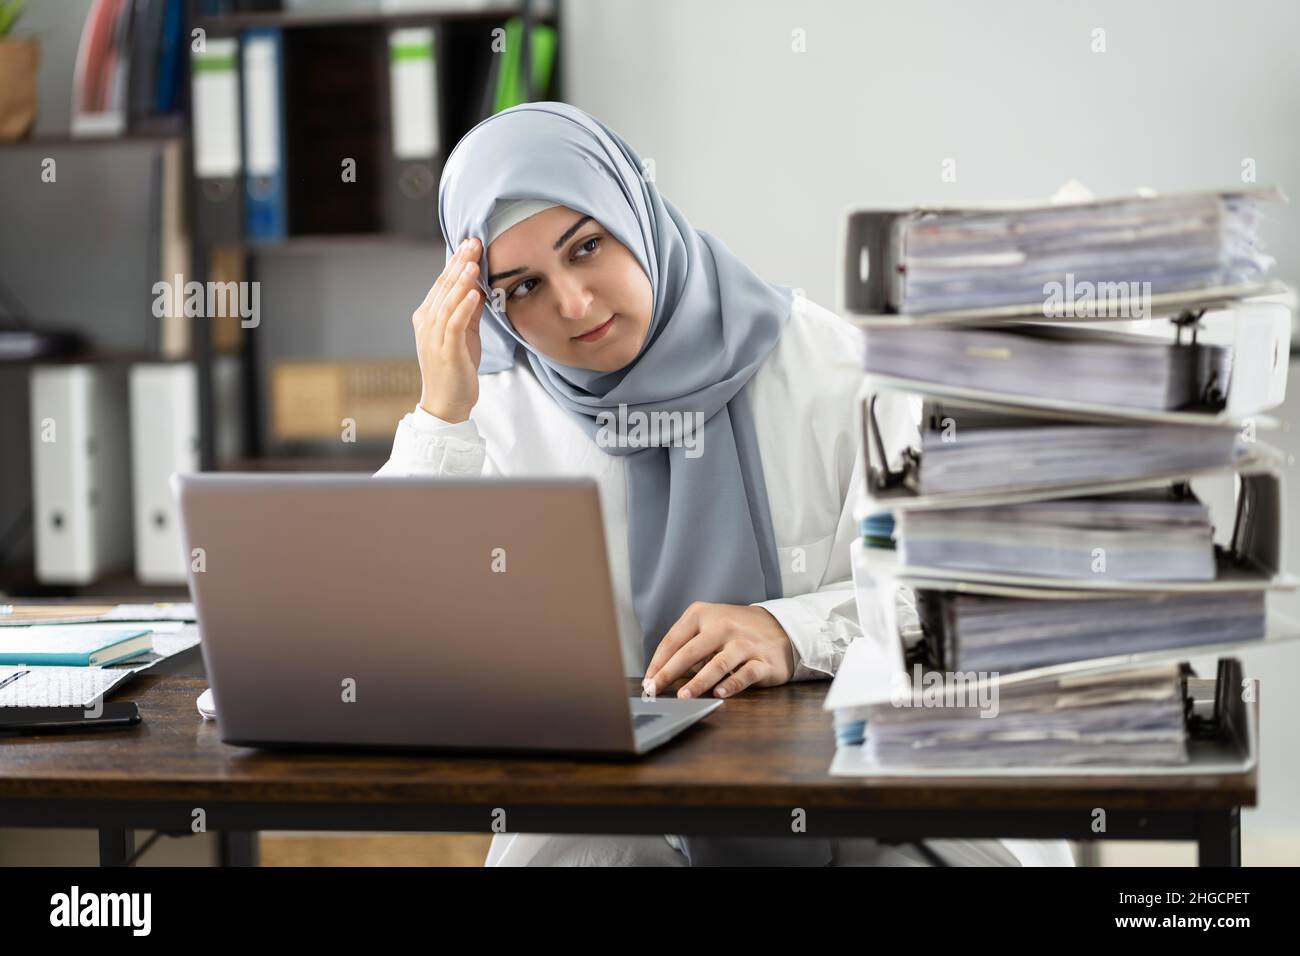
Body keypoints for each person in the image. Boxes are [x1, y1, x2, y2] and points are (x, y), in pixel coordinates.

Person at [375, 101, 1074, 867]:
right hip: (610, 806)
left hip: (863, 786)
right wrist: (438, 416)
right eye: (522, 287)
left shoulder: (836, 370)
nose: (572, 304)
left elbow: (962, 596)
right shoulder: (495, 415)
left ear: (633, 214)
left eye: (586, 246)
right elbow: (390, 646)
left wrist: (791, 630)